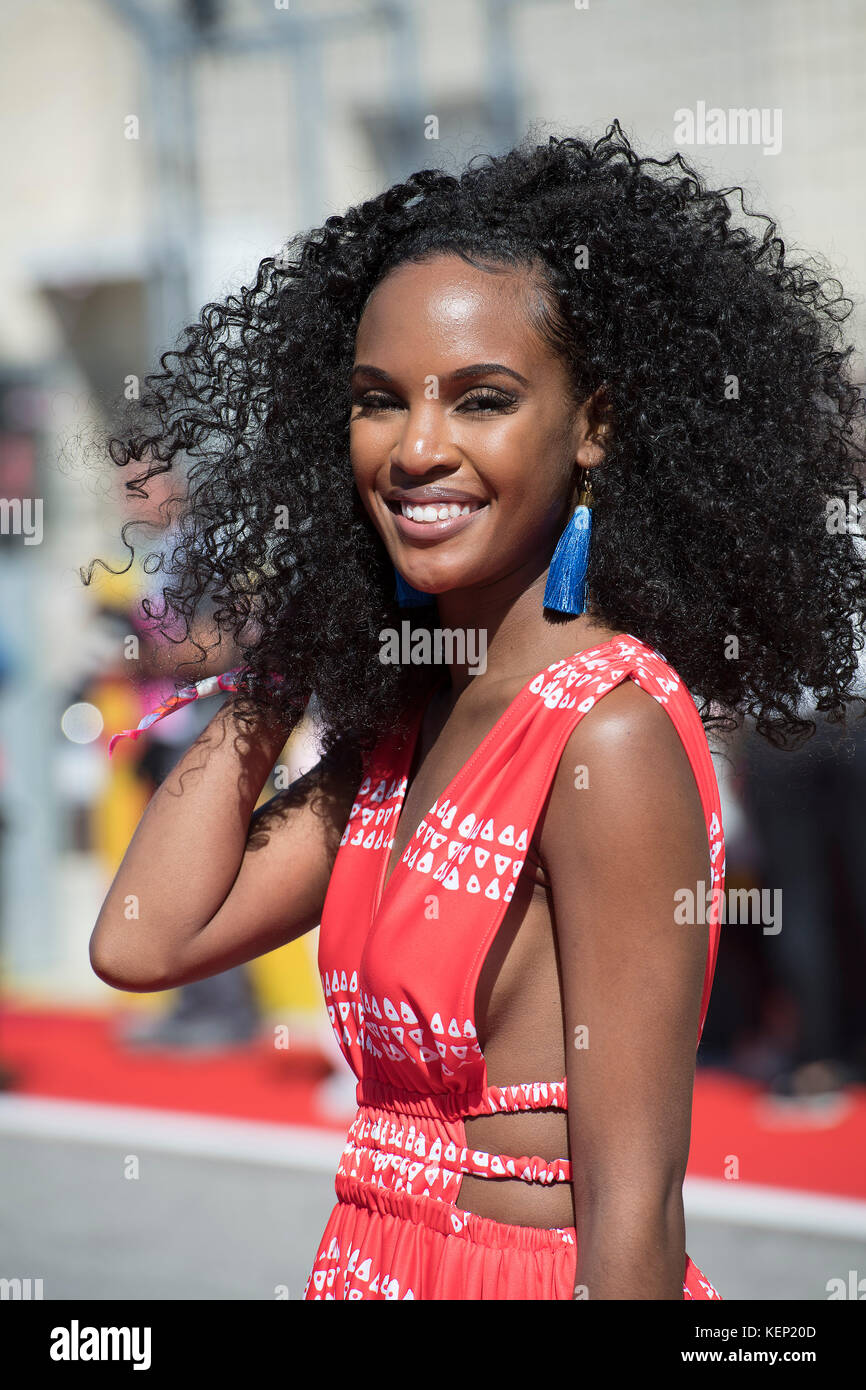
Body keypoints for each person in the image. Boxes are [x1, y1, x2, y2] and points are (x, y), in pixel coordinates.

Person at [83, 120, 866, 1300]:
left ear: (592, 425)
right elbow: (144, 939)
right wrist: (297, 643)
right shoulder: (401, 724)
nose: (418, 448)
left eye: (482, 399)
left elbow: (634, 1203)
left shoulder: (602, 733)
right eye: (377, 402)